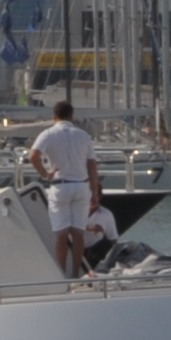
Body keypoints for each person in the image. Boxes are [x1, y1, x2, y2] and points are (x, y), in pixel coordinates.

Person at [31, 99, 104, 281]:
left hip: (60, 185)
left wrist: (45, 173)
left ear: (54, 116)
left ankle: (62, 275)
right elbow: (92, 165)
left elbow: (33, 156)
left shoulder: (48, 134)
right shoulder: (83, 135)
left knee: (61, 234)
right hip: (81, 185)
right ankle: (75, 274)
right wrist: (94, 191)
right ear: (72, 116)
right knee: (78, 233)